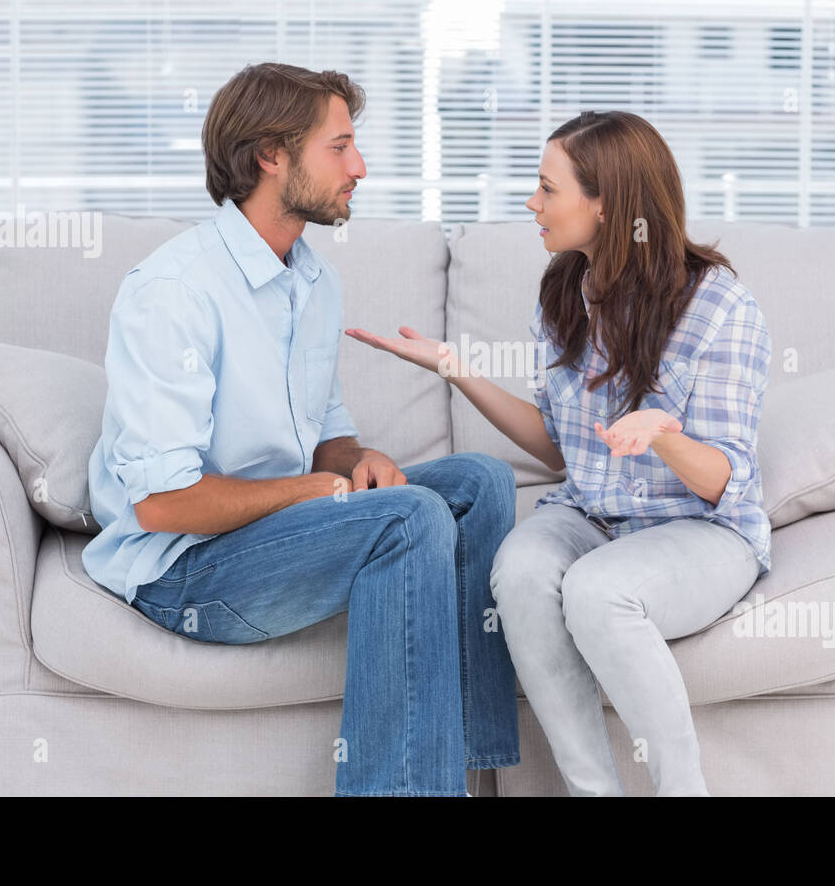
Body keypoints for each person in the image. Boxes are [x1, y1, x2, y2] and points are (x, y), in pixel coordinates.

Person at [81, 62, 520, 797]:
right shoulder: (174, 291)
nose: (361, 168)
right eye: (340, 147)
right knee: (409, 520)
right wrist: (312, 492)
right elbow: (163, 505)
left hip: (277, 534)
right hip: (185, 565)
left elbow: (327, 439)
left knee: (480, 482)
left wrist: (357, 459)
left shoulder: (312, 279)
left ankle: (469, 769)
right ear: (270, 156)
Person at [346, 109, 772, 796]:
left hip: (699, 527)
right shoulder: (565, 293)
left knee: (599, 591)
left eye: (547, 188)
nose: (530, 202)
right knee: (516, 570)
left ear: (606, 204)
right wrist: (456, 369)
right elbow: (556, 449)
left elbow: (724, 480)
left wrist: (664, 433)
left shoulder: (719, 306)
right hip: (592, 512)